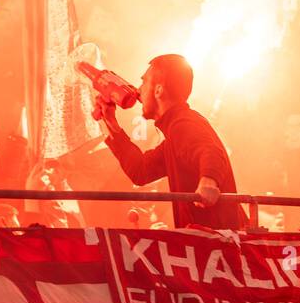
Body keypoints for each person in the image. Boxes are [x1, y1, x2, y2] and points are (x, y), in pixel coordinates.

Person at [95, 53, 243, 230]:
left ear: (158, 90)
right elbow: (140, 170)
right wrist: (110, 121)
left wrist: (208, 182)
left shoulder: (183, 123)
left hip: (219, 245)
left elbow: (210, 150)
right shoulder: (175, 135)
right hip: (208, 244)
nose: (138, 90)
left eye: (144, 82)